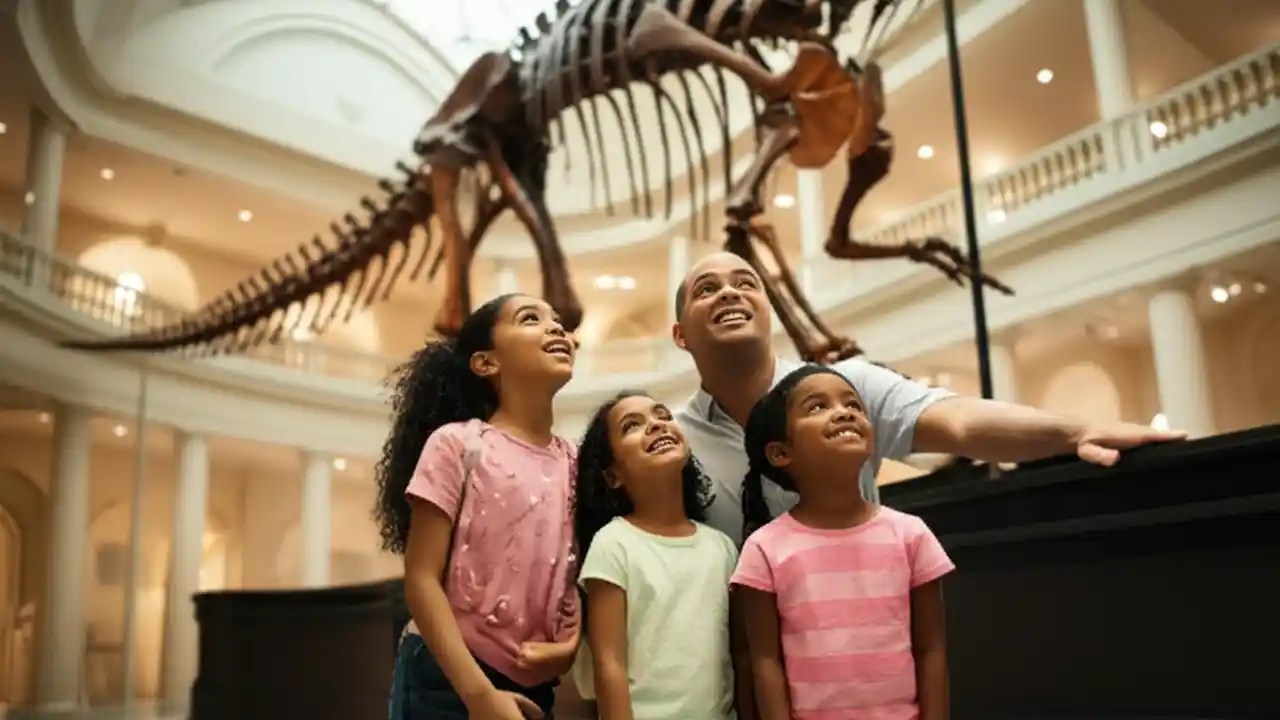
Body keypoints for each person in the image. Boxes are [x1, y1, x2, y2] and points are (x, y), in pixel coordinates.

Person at [671, 251, 1188, 545]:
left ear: (767, 309)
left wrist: (1077, 432)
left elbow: (958, 420)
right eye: (707, 288)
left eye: (746, 282)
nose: (730, 293)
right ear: (680, 335)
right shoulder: (671, 440)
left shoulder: (842, 388)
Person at [375, 293, 581, 720]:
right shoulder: (458, 444)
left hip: (533, 687)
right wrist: (479, 695)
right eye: (531, 318)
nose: (556, 327)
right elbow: (420, 577)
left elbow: (578, 575)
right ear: (486, 362)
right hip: (445, 679)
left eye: (558, 320)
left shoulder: (579, 463)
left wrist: (569, 647)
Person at [731, 365, 954, 719]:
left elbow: (931, 650)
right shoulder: (764, 549)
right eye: (817, 406)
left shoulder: (911, 534)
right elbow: (765, 661)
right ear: (780, 453)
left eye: (853, 404)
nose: (844, 412)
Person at [572, 391, 748, 719]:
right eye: (632, 426)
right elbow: (609, 664)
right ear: (612, 475)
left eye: (663, 415)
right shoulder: (614, 544)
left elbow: (737, 655)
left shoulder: (721, 547)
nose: (656, 425)